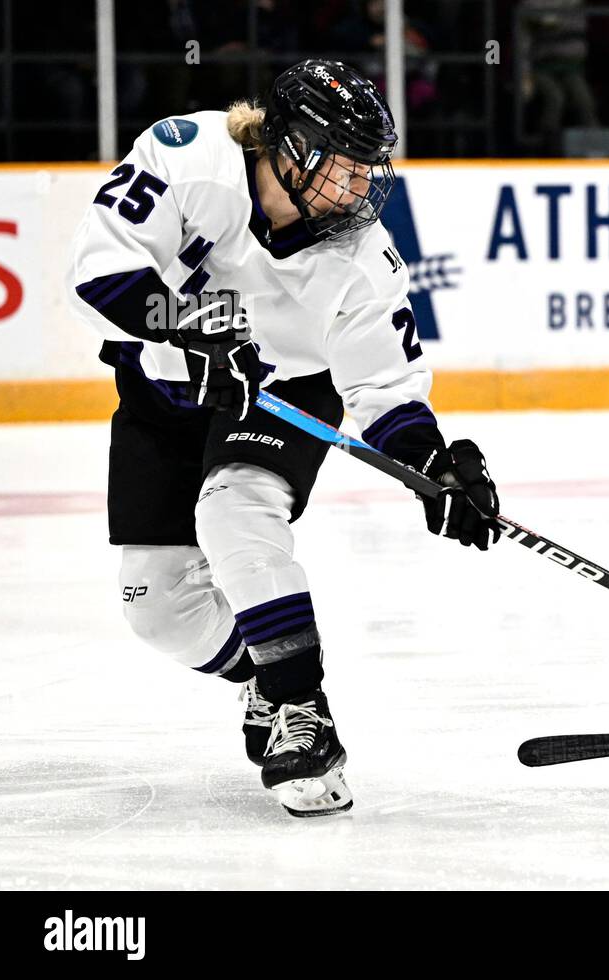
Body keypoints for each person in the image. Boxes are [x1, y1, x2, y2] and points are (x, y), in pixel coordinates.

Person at [66, 60, 501, 817]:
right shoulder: (185, 158)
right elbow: (97, 273)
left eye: (371, 170)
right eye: (345, 169)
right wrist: (194, 330)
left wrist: (436, 466)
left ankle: (305, 714)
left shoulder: (363, 257)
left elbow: (384, 389)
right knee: (157, 608)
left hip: (279, 394)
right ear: (292, 150)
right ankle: (270, 676)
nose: (362, 189)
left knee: (233, 515)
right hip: (165, 392)